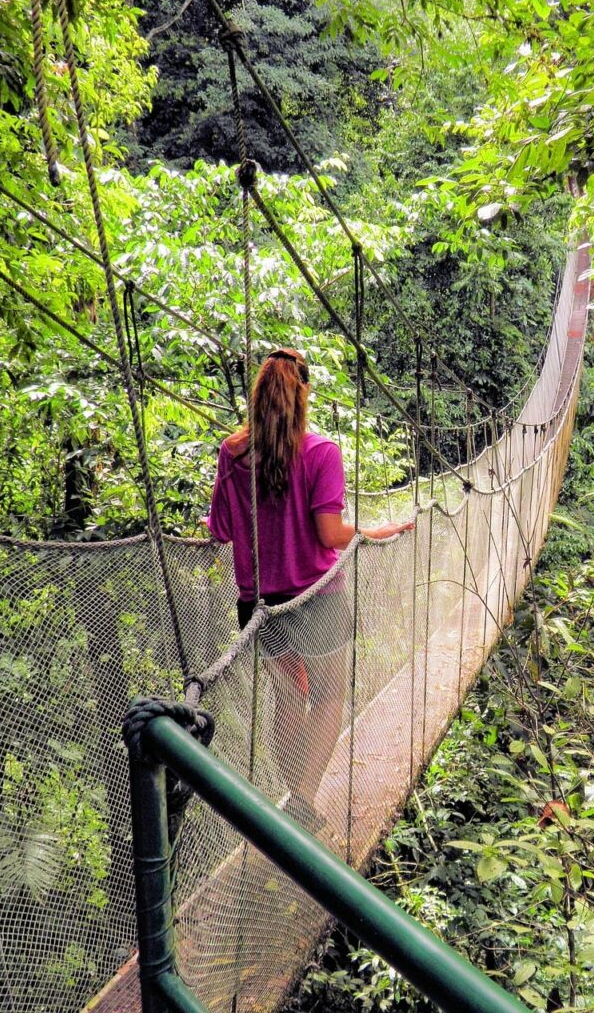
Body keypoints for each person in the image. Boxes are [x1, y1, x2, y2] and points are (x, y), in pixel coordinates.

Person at [205, 347, 412, 831]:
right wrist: (376, 531)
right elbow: (330, 534)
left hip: (261, 605)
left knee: (287, 697)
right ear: (305, 395)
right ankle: (303, 795)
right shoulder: (322, 453)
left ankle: (292, 796)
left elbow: (222, 530)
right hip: (318, 598)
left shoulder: (233, 453)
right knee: (329, 693)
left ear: (258, 395)